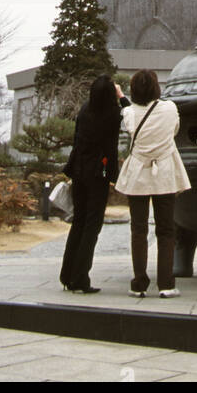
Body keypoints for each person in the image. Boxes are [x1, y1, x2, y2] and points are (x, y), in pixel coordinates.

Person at [114, 68, 191, 298]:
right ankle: (166, 284)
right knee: (166, 229)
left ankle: (139, 283)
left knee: (138, 229)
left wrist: (119, 96)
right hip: (164, 172)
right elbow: (175, 130)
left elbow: (128, 112)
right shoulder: (170, 109)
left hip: (138, 172)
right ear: (157, 88)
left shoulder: (130, 114)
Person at [59, 75, 129, 294]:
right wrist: (122, 96)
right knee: (92, 224)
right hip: (99, 172)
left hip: (79, 169)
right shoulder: (112, 114)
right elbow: (132, 114)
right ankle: (81, 277)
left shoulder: (84, 109)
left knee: (79, 221)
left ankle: (68, 274)